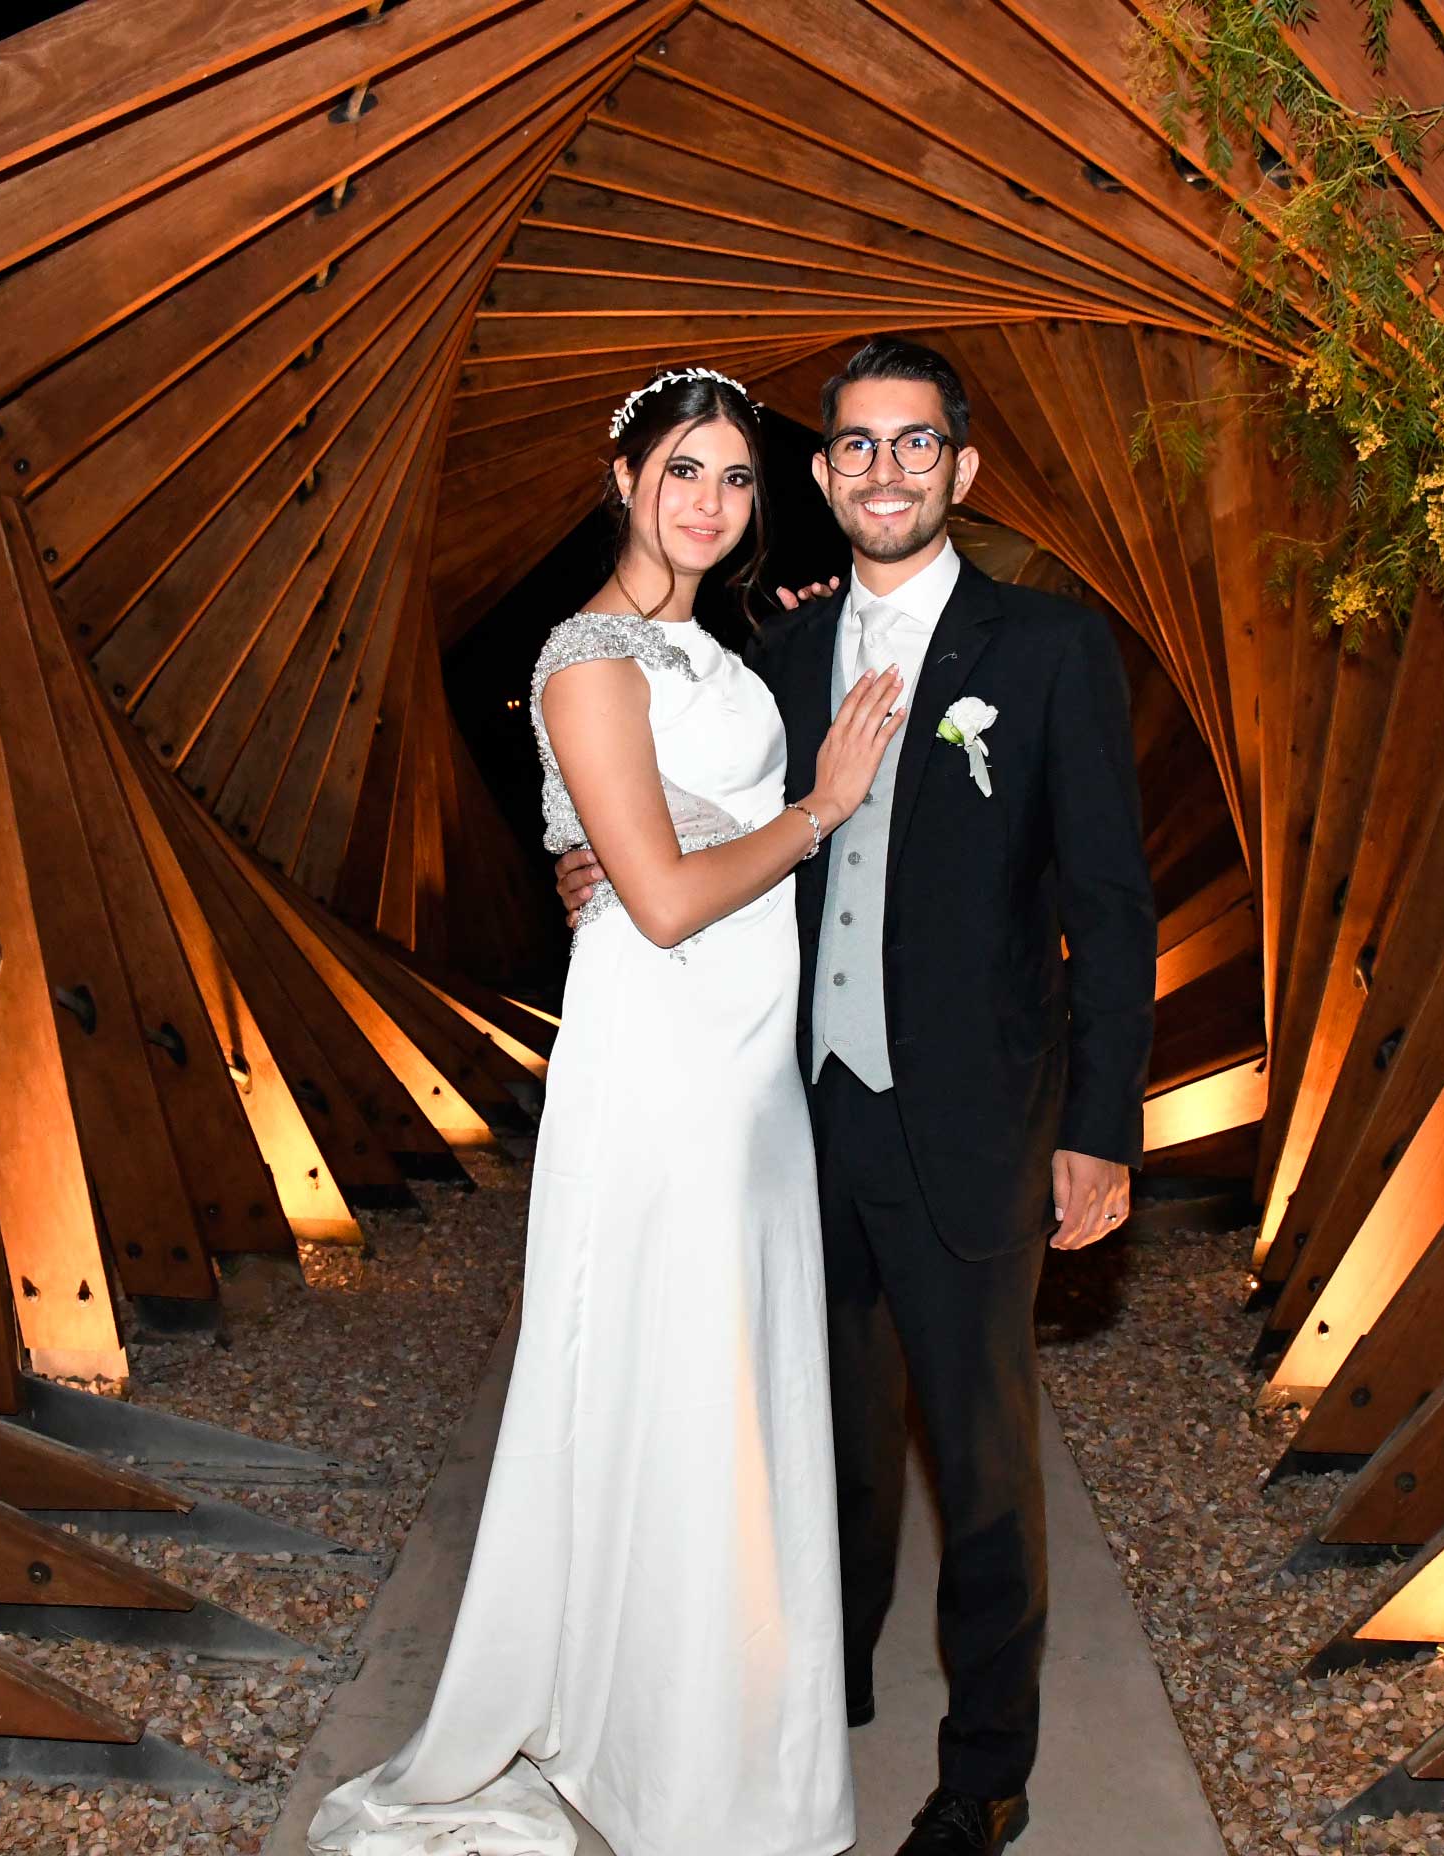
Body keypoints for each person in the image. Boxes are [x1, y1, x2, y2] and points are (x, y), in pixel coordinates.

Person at [555, 336, 1158, 1856]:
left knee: (981, 1458)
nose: (884, 469)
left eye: (915, 444)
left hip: (970, 1121)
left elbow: (1113, 900)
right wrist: (595, 872)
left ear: (959, 469)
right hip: (784, 1120)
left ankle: (988, 1772)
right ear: (823, 479)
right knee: (811, 1441)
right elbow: (682, 818)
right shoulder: (769, 657)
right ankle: (819, 1693)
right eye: (855, 447)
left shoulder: (1046, 652)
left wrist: (1100, 1129)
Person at [307, 365, 904, 1856]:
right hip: (665, 1069)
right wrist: (818, 806)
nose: (709, 502)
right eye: (682, 472)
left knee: (734, 1383)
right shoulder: (586, 660)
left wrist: (753, 828)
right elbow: (658, 892)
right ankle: (660, 1754)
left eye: (734, 479)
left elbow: (681, 854)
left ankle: (719, 1721)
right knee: (666, 1370)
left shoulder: (723, 657)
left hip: (751, 1068)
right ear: (620, 478)